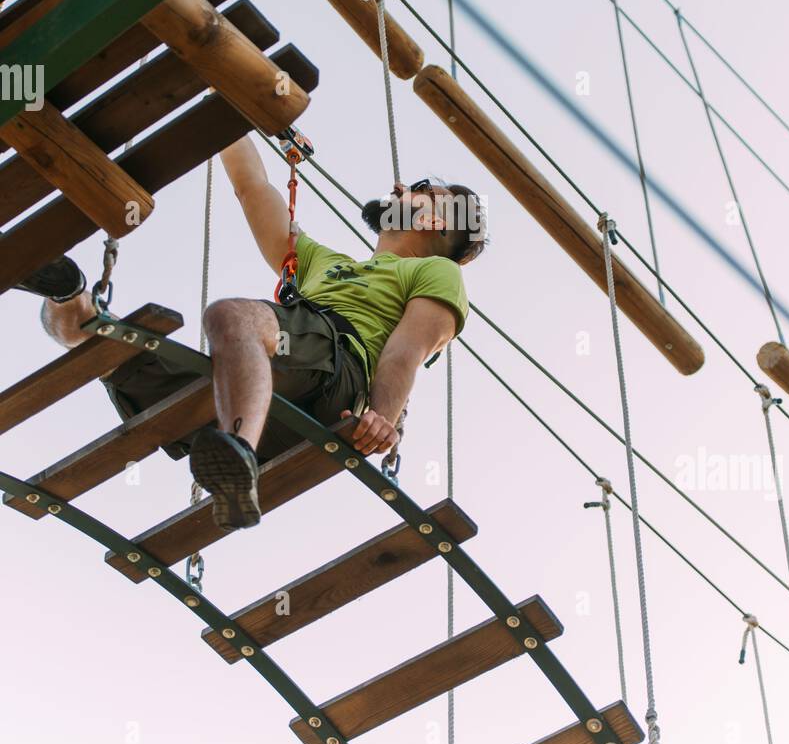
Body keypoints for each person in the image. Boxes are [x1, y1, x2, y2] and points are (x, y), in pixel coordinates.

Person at [31, 134, 488, 532]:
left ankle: (236, 457)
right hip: (270, 393)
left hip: (334, 367)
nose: (401, 188)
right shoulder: (323, 262)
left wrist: (383, 417)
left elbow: (406, 351)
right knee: (100, 346)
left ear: (437, 221)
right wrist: (224, 111)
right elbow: (253, 189)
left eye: (422, 191)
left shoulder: (436, 271)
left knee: (232, 317)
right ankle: (67, 292)